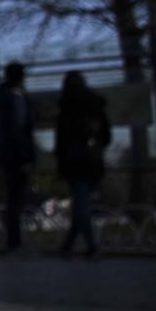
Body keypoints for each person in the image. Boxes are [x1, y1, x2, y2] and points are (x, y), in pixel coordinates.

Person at [55, 71, 111, 259]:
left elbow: (61, 137)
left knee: (81, 203)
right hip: (93, 158)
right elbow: (106, 135)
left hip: (74, 159)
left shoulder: (67, 106)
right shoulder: (96, 104)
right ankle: (70, 245)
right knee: (83, 202)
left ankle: (89, 245)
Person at [0, 62, 37, 254]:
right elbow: (19, 129)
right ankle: (14, 243)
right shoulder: (15, 99)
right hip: (17, 156)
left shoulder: (2, 98)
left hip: (6, 154)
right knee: (16, 201)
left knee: (12, 200)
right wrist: (25, 156)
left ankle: (13, 241)